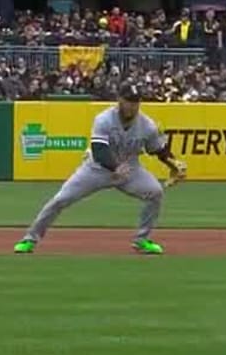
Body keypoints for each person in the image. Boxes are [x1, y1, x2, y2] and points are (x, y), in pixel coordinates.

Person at [13, 86, 185, 256]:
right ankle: (30, 239)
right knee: (61, 200)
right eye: (128, 101)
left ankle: (142, 240)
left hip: (130, 168)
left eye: (135, 102)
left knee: (155, 192)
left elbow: (157, 150)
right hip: (97, 169)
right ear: (119, 100)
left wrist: (174, 163)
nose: (132, 106)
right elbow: (99, 150)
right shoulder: (104, 119)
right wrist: (115, 167)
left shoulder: (147, 125)